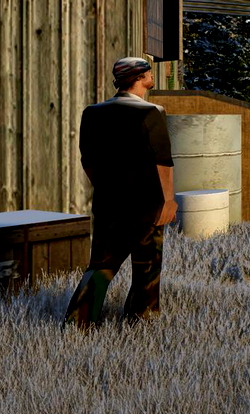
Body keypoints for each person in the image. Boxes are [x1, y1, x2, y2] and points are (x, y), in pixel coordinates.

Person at [64, 57, 177, 327]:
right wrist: (169, 200)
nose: (152, 75)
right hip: (147, 201)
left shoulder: (92, 112)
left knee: (101, 263)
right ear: (139, 78)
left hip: (108, 201)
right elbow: (162, 160)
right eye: (148, 72)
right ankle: (142, 317)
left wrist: (107, 187)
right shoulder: (152, 112)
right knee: (147, 264)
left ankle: (78, 323)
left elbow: (87, 160)